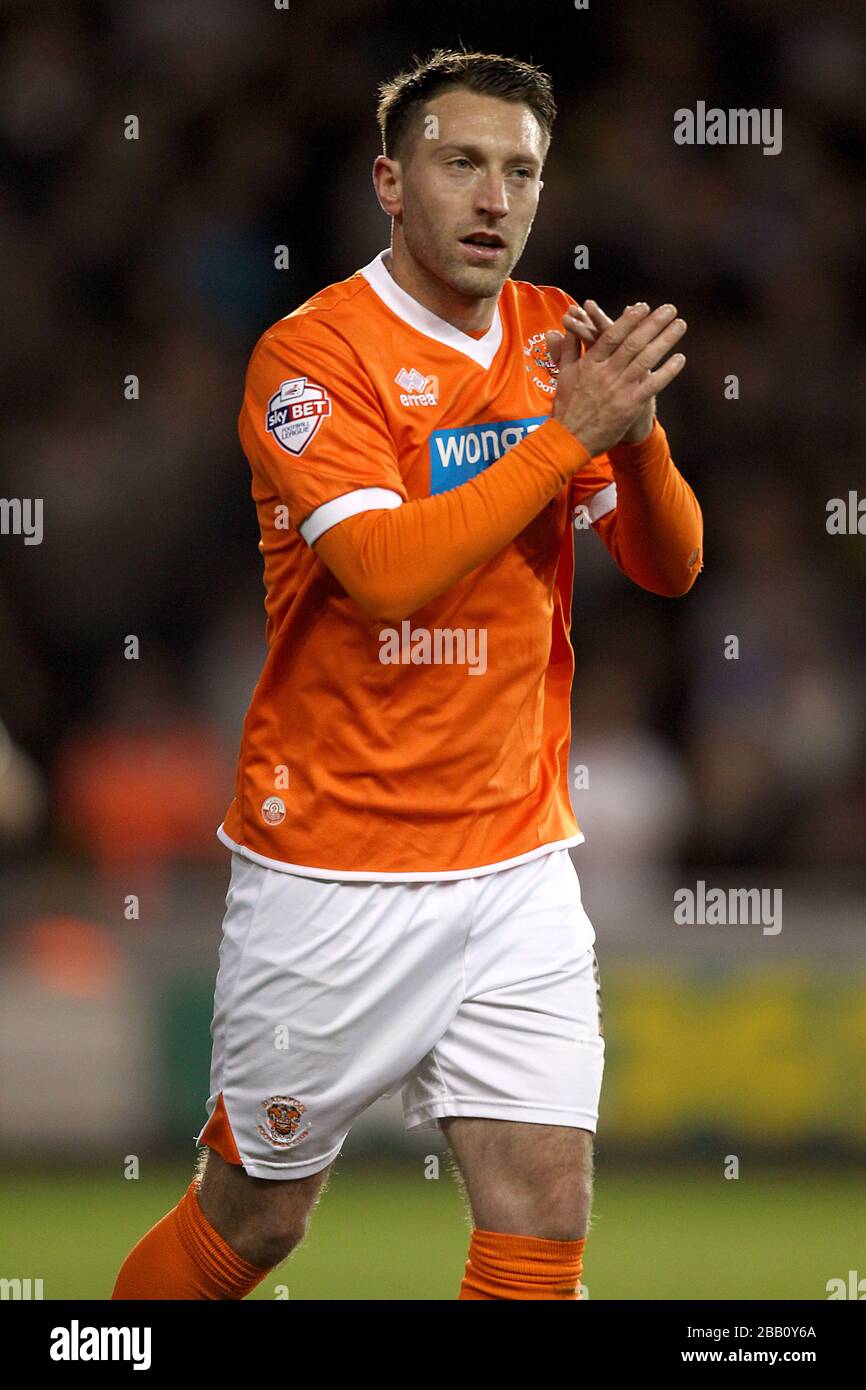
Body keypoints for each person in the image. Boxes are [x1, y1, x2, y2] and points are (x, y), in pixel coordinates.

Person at [112, 47, 702, 1302]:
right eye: (462, 163)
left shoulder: (557, 340)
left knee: (546, 1202)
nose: (495, 198)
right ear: (391, 180)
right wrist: (567, 437)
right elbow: (383, 570)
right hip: (332, 865)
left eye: (522, 173)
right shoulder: (309, 355)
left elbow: (669, 567)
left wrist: (638, 446)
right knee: (257, 1222)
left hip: (515, 860)